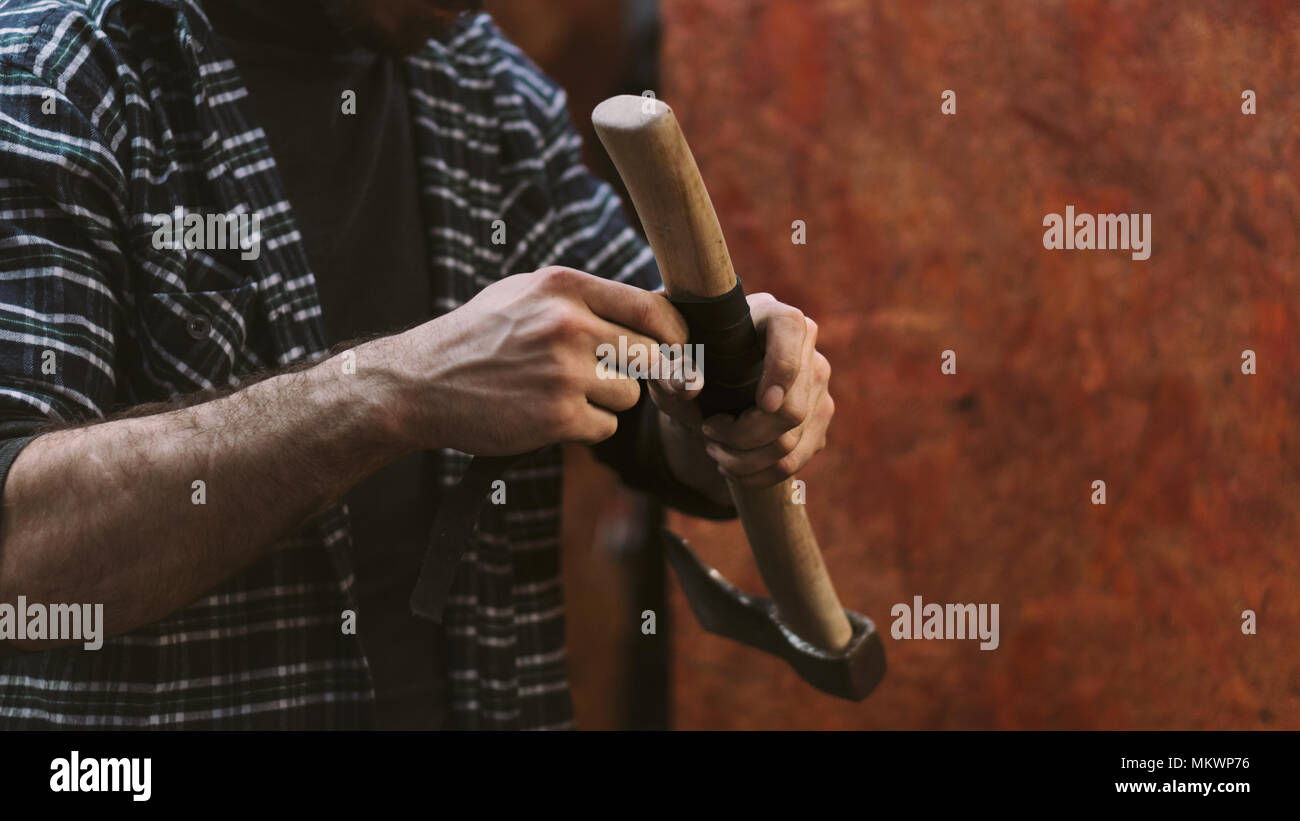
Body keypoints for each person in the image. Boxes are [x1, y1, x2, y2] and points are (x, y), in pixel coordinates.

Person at [0, 0, 834, 729]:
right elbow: (21, 559)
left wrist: (739, 397)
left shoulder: (481, 80)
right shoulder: (53, 74)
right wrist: (391, 392)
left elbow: (669, 427)